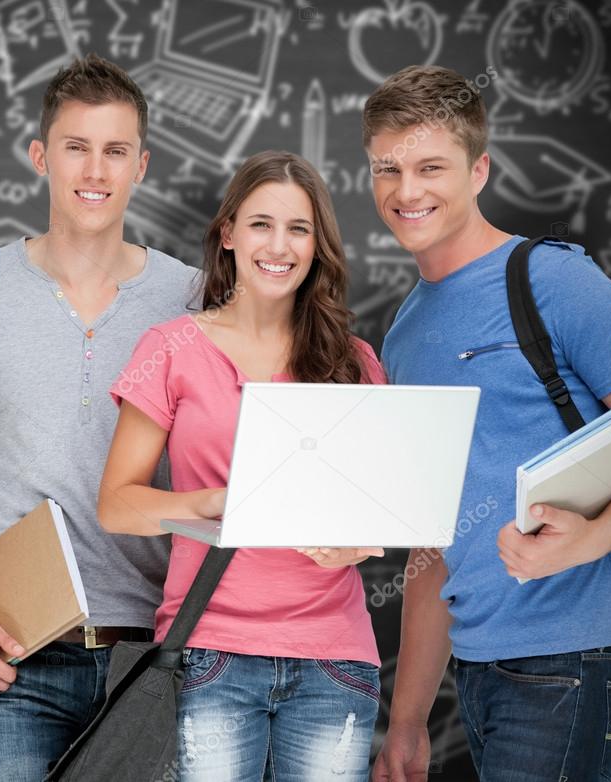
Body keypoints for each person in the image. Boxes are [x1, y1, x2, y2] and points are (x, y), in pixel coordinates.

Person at [0, 54, 198, 780]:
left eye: (115, 151)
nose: (95, 170)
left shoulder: (193, 299)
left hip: (152, 655)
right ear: (41, 156)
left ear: (142, 165)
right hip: (11, 650)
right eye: (76, 147)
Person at [364, 65, 611, 782]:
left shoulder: (551, 280)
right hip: (481, 670)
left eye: (431, 167)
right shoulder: (403, 335)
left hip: (577, 655)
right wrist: (407, 721)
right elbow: (434, 546)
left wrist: (596, 537)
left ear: (479, 169)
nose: (407, 190)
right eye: (387, 169)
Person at [98, 150, 386, 780]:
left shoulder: (355, 361)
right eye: (260, 224)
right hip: (211, 653)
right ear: (228, 234)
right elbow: (117, 503)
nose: (278, 245)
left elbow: (379, 510)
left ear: (317, 246)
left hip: (335, 660)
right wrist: (207, 502)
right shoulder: (171, 349)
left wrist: (357, 546)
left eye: (298, 229)